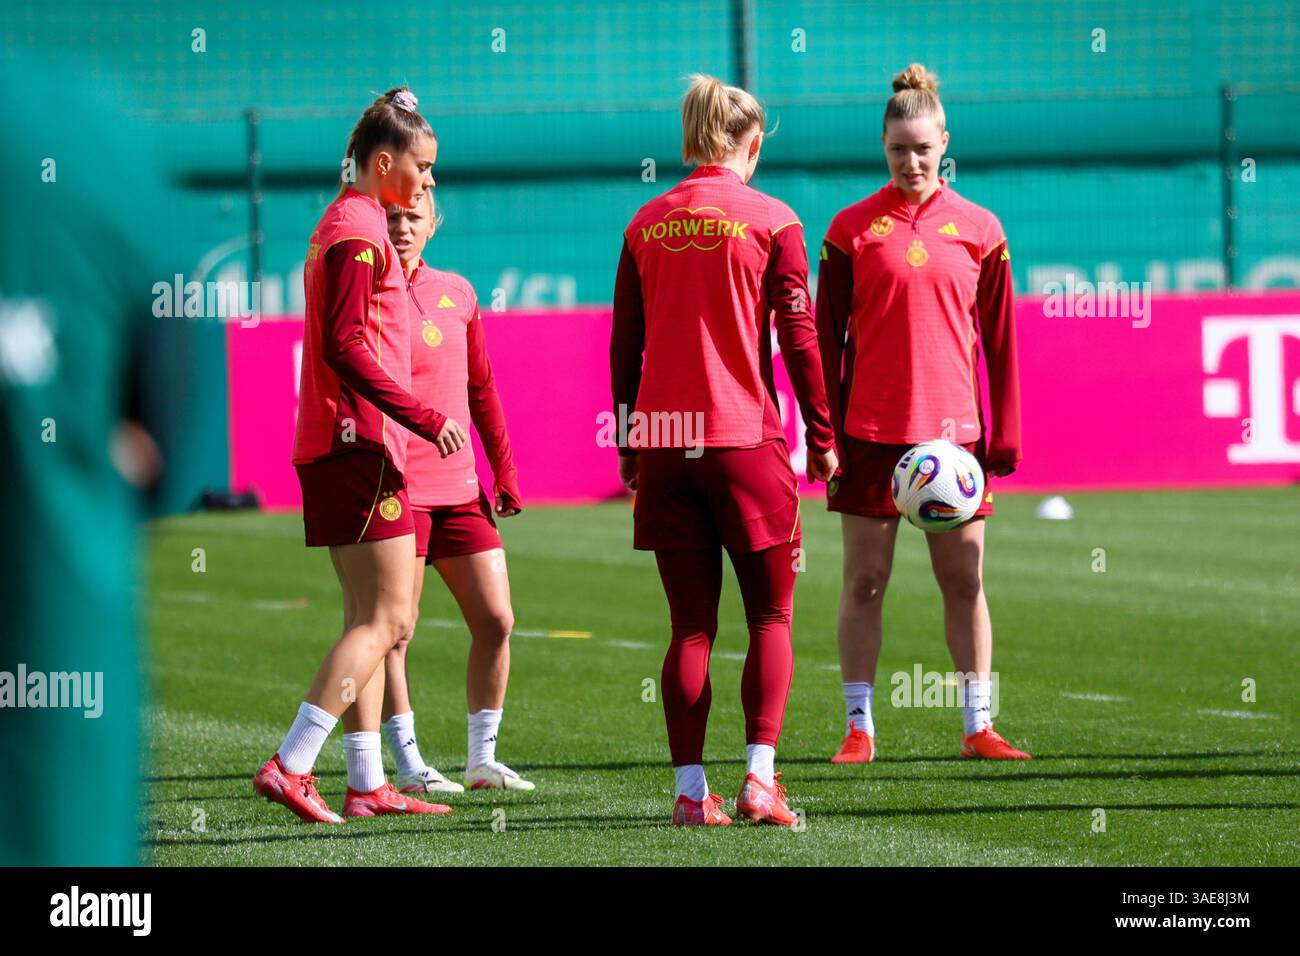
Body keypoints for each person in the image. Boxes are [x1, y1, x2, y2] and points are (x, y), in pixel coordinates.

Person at [611, 74, 838, 826]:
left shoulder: (647, 221)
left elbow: (624, 347)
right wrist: (825, 436)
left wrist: (628, 442)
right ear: (754, 141)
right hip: (745, 438)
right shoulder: (774, 219)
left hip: (667, 446)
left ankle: (687, 794)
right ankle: (758, 782)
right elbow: (801, 339)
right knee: (770, 619)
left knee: (691, 628)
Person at [253, 87, 469, 823]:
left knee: (369, 618)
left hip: (342, 441)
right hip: (360, 444)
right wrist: (418, 413)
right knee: (388, 621)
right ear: (385, 164)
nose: (430, 183)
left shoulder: (348, 220)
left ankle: (368, 779)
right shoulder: (360, 228)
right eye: (424, 167)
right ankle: (291, 763)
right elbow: (346, 342)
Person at [816, 63, 1030, 764]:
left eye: (924, 148)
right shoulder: (851, 230)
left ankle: (977, 726)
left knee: (964, 580)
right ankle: (859, 727)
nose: (912, 161)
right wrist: (824, 434)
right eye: (898, 148)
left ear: (945, 144)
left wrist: (1007, 429)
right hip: (869, 436)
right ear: (883, 145)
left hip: (956, 445)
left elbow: (999, 338)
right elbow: (822, 340)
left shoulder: (982, 228)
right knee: (865, 582)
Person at [380, 192, 533, 793]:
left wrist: (506, 469)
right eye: (392, 217)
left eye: (413, 217)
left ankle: (481, 761)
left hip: (461, 487)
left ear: (434, 223)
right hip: (396, 485)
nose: (401, 227)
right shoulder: (367, 291)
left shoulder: (460, 292)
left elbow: (482, 386)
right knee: (397, 629)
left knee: (497, 619)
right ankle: (409, 764)